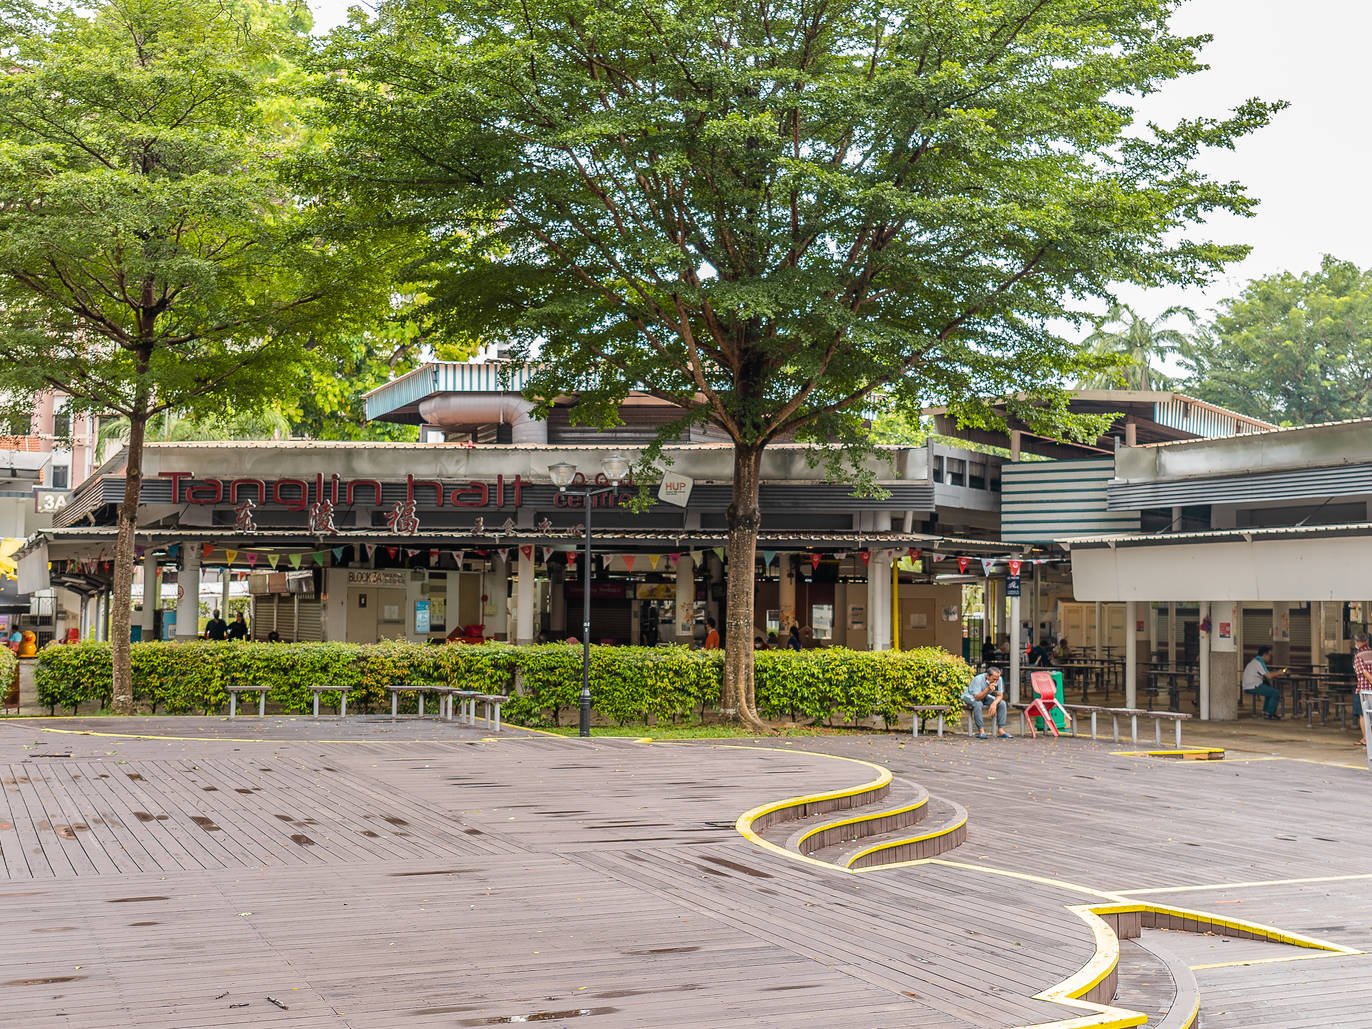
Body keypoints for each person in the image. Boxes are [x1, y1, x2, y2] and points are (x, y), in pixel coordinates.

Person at [961, 667, 1011, 739]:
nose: (996, 681)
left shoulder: (999, 679)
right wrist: (988, 689)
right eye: (994, 679)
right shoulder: (978, 679)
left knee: (1002, 703)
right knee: (978, 704)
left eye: (997, 679)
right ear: (988, 676)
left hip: (984, 696)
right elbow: (977, 697)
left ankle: (1000, 730)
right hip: (970, 696)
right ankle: (981, 731)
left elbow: (1000, 695)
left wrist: (994, 704)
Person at [1242, 644, 1283, 719]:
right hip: (1252, 686)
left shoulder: (1256, 661)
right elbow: (1269, 676)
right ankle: (1270, 713)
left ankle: (1266, 711)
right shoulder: (1259, 662)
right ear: (1264, 654)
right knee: (1275, 692)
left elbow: (1266, 675)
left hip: (1249, 685)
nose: (1270, 657)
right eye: (1269, 655)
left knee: (1269, 689)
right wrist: (1279, 672)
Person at [1353, 632, 1372, 747]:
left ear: (1357, 642)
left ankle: (1366, 739)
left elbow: (1364, 672)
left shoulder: (1358, 655)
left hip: (1365, 689)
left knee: (1363, 714)